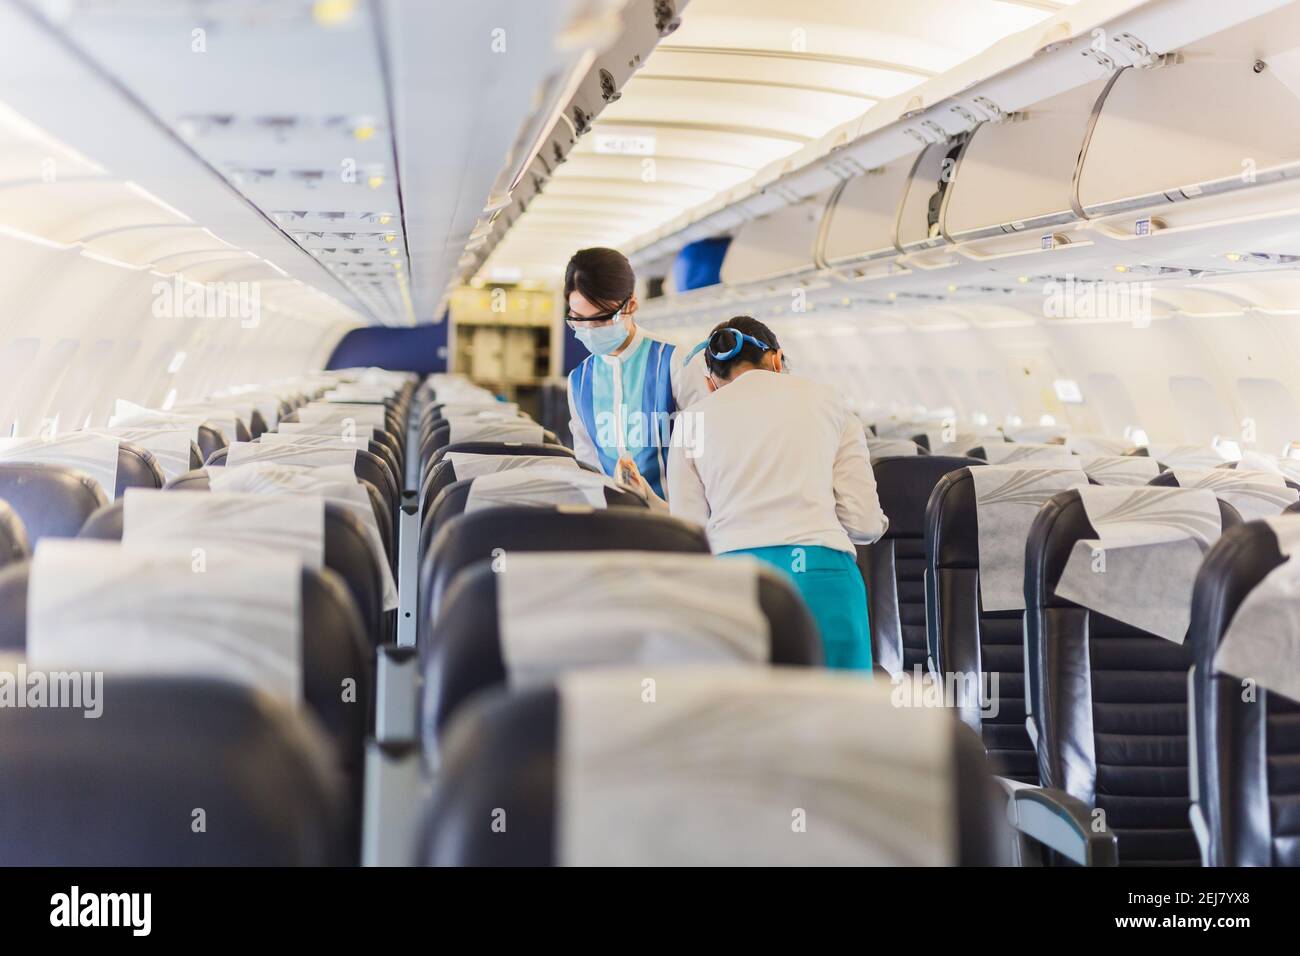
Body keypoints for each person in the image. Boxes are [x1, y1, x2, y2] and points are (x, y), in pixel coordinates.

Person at [664, 316, 887, 670]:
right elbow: (864, 523)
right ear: (778, 360)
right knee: (843, 717)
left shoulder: (692, 421)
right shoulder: (830, 402)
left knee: (755, 716)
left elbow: (690, 533)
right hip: (823, 577)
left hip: (734, 582)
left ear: (710, 383)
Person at [564, 247, 706, 500]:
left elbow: (706, 451)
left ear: (631, 304)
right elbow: (587, 466)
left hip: (677, 522)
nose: (589, 330)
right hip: (612, 523)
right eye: (578, 319)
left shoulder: (674, 361)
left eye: (601, 319)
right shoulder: (579, 380)